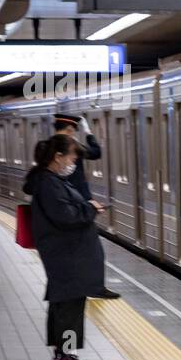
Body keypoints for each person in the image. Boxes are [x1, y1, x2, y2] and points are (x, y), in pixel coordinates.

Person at [23, 133, 106, 360]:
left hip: (65, 254)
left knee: (65, 305)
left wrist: (86, 208)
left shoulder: (49, 180)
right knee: (69, 307)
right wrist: (89, 209)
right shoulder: (49, 183)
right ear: (58, 157)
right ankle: (63, 358)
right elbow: (66, 217)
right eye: (71, 156)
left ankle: (64, 354)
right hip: (66, 255)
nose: (73, 162)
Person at [50, 114, 120, 299]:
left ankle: (86, 285)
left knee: (81, 249)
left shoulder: (49, 146)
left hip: (71, 204)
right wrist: (89, 133)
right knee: (92, 249)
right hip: (78, 204)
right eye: (72, 131)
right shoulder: (70, 146)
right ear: (70, 130)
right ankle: (94, 288)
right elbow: (96, 152)